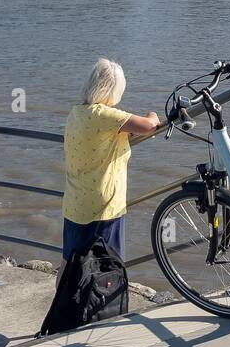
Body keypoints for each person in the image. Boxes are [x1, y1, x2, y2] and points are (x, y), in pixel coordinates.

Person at [62, 59, 158, 263]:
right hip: (103, 208)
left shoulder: (76, 112)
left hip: (74, 205)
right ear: (113, 90)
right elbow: (149, 126)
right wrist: (153, 114)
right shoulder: (105, 115)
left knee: (72, 265)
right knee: (106, 269)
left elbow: (98, 139)